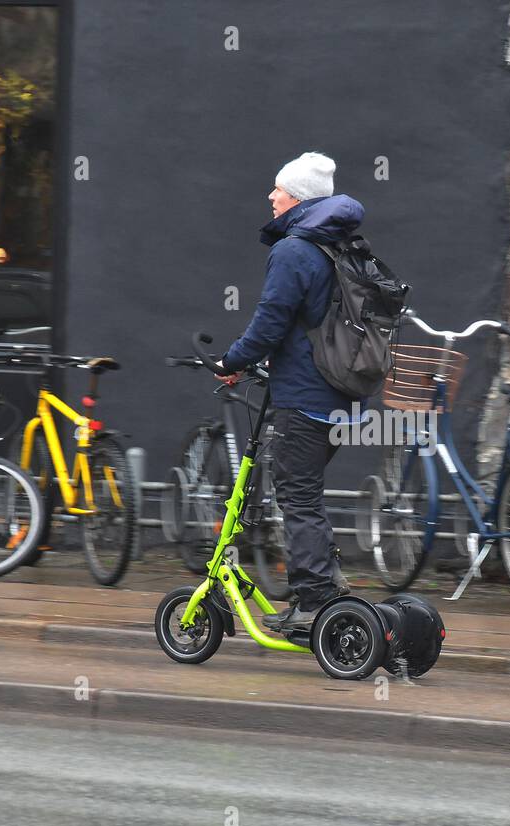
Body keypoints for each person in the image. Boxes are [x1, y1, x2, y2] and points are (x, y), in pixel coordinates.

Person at [218, 151, 356, 630]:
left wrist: (231, 361)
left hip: (305, 399)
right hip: (337, 398)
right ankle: (328, 590)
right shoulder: (335, 245)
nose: (271, 196)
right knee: (306, 495)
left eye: (278, 189)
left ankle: (314, 602)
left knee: (298, 498)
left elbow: (270, 323)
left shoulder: (294, 250)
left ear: (296, 197)